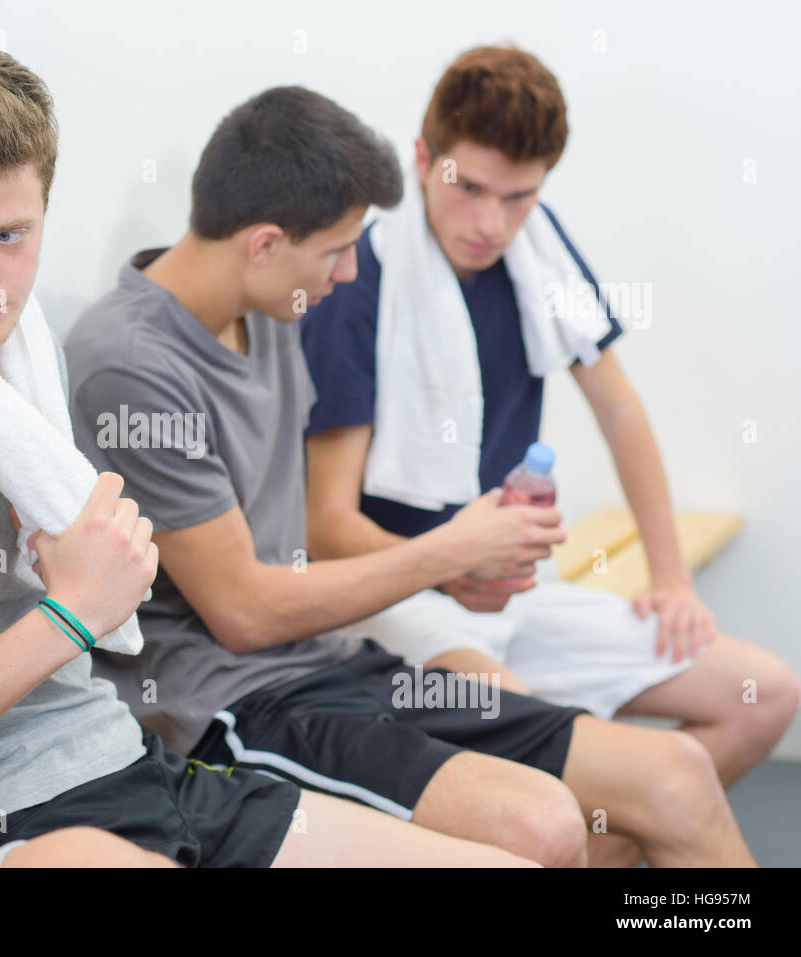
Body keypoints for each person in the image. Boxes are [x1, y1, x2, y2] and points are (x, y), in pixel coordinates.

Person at [0, 33, 539, 868]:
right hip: (5, 809)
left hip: (125, 762)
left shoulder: (26, 358)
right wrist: (71, 614)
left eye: (9, 235)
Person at [66, 84, 756, 866]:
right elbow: (245, 613)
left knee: (677, 777)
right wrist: (454, 552)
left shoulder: (271, 309)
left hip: (330, 659)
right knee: (548, 825)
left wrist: (466, 567)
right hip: (230, 700)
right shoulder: (129, 362)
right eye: (337, 250)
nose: (354, 271)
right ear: (263, 245)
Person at [298, 46, 798, 864]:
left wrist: (670, 578)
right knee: (552, 780)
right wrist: (452, 561)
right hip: (398, 599)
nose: (490, 222)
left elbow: (619, 409)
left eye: (519, 197)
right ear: (423, 161)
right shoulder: (358, 284)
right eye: (468, 188)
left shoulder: (536, 251)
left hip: (517, 585)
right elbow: (327, 526)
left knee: (766, 694)